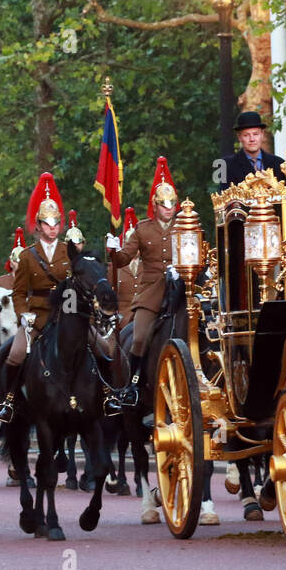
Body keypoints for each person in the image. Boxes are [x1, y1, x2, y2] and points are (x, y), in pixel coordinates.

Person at [0, 173, 71, 423]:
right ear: (38, 226)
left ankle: (106, 393)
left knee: (99, 346)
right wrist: (23, 315)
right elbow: (18, 292)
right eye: (47, 222)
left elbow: (76, 285)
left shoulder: (69, 253)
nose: (52, 227)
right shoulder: (28, 257)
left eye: (56, 222)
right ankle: (9, 401)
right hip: (37, 317)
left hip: (66, 313)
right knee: (15, 354)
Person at [106, 158, 179, 407]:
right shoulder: (142, 229)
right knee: (138, 338)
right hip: (151, 292)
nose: (169, 208)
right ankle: (133, 384)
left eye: (172, 204)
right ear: (155, 206)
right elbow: (124, 259)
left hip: (184, 288)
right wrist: (114, 252)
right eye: (164, 204)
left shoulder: (185, 225)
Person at [223, 111, 286, 188]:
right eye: (246, 135)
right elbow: (223, 196)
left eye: (255, 134)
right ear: (239, 137)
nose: (252, 139)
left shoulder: (279, 163)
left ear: (262, 134)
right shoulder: (226, 165)